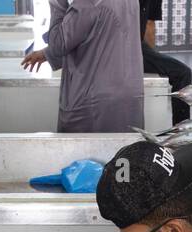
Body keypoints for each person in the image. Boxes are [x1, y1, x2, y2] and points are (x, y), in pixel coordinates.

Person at [20, 0, 143, 133]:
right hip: (128, 98)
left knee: (85, 152)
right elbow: (100, 37)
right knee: (123, 152)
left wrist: (57, 3)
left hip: (93, 103)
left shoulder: (88, 3)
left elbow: (58, 43)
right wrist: (46, 53)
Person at [140, 0, 192, 125]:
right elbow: (149, 25)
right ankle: (182, 130)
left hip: (129, 44)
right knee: (183, 73)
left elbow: (149, 25)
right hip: (128, 46)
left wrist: (153, 59)